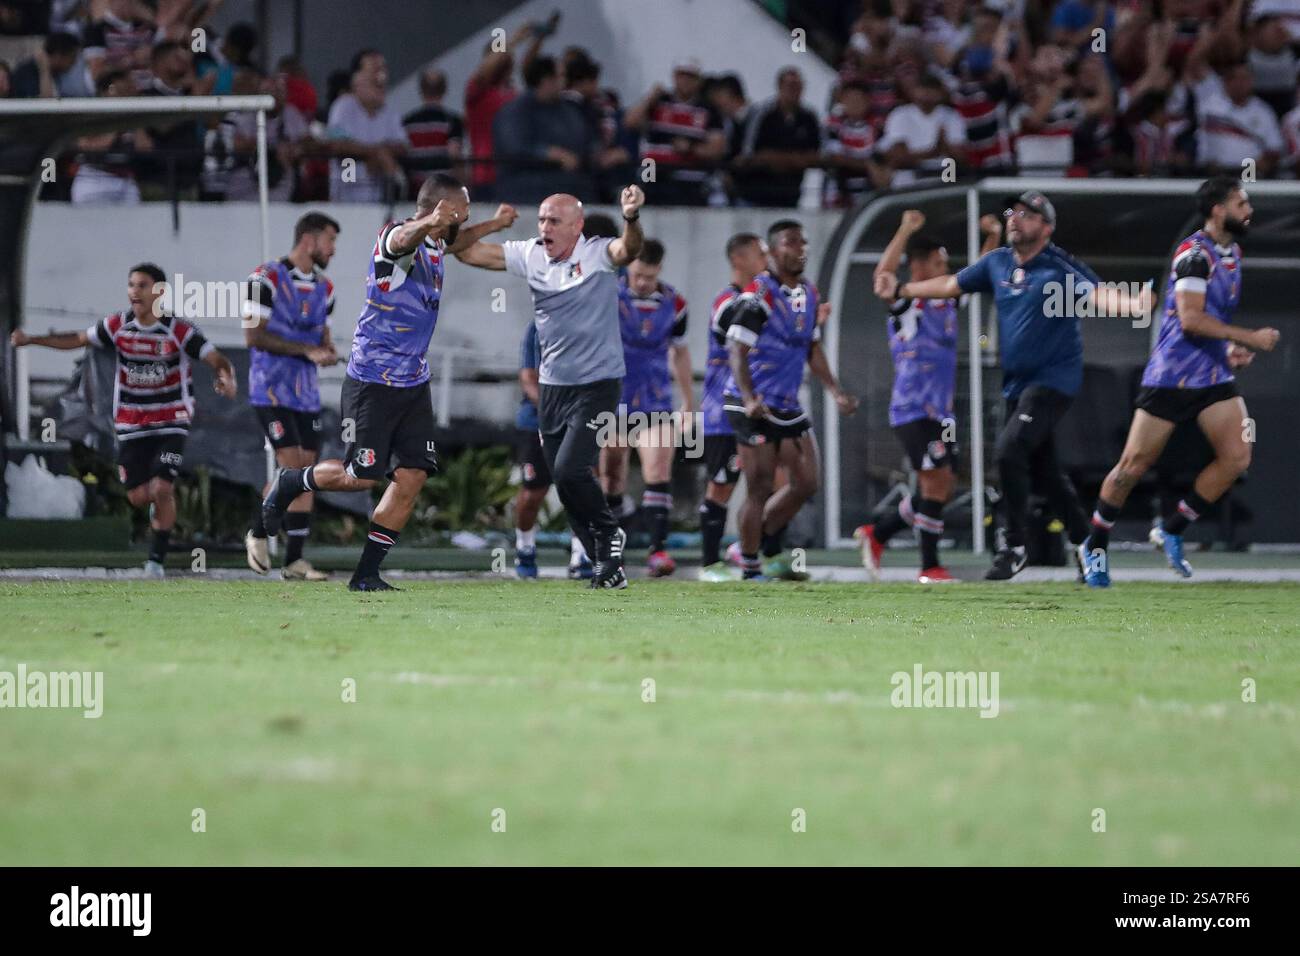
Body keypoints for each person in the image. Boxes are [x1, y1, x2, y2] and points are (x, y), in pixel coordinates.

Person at [260, 174, 519, 591]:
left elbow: (453, 241)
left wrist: (493, 224)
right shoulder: (395, 239)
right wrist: (429, 222)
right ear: (442, 211)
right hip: (372, 381)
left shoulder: (436, 241)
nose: (465, 220)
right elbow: (403, 240)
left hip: (413, 382)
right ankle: (294, 480)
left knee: (413, 474)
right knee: (361, 475)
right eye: (462, 213)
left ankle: (366, 575)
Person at [875, 190, 1150, 580]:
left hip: (1054, 381)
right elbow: (952, 284)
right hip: (1016, 386)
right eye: (1013, 212)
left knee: (1007, 450)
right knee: (1047, 474)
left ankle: (1014, 543)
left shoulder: (1058, 267)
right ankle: (1088, 546)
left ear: (1046, 228)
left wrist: (1133, 304)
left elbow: (1099, 293)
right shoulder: (997, 263)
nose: (1015, 219)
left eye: (1027, 214)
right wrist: (902, 290)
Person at [1080, 177, 1280, 587]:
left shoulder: (1233, 253)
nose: (1249, 210)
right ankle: (1095, 544)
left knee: (1237, 457)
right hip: (1172, 376)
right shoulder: (1194, 255)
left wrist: (1227, 353)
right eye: (1241, 203)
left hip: (1211, 374)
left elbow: (1209, 321)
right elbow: (1189, 319)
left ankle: (1170, 529)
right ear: (1218, 210)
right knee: (1131, 468)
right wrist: (1249, 338)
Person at [454, 187, 647, 589]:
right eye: (541, 219)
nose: (544, 227)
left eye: (554, 220)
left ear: (577, 227)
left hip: (598, 384)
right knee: (565, 481)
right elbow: (463, 250)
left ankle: (611, 534)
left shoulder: (596, 253)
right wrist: (493, 224)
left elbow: (629, 250)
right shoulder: (530, 255)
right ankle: (605, 565)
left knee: (569, 468)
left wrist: (630, 217)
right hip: (553, 387)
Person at [10, 263, 237, 578]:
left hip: (171, 421)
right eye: (131, 285)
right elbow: (77, 338)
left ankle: (156, 561)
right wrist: (32, 340)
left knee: (161, 488)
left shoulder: (179, 330)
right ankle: (159, 504)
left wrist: (225, 375)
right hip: (131, 424)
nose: (134, 292)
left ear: (159, 292)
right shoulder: (118, 325)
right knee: (137, 496)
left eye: (142, 285)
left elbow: (215, 357)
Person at [857, 209, 1003, 583]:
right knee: (934, 483)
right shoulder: (907, 303)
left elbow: (977, 272)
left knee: (943, 484)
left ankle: (880, 533)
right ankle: (929, 566)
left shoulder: (947, 300)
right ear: (919, 267)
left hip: (943, 410)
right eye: (939, 262)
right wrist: (905, 228)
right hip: (912, 407)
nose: (945, 268)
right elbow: (883, 278)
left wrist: (994, 235)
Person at [722, 220, 858, 581]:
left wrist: (835, 390)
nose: (800, 249)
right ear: (772, 251)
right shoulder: (759, 296)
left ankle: (750, 543)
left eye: (803, 242)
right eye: (790, 242)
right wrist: (749, 398)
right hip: (752, 403)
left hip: (786, 403)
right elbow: (737, 351)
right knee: (761, 484)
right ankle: (751, 567)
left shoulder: (809, 294)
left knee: (806, 483)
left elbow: (811, 347)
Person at [243, 212, 341, 582]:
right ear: (309, 240)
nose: (333, 250)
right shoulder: (264, 278)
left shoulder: (326, 289)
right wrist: (306, 351)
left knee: (307, 471)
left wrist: (327, 353)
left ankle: (295, 561)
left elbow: (324, 343)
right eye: (330, 241)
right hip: (269, 388)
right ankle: (257, 531)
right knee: (291, 465)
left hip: (306, 394)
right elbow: (253, 337)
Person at [601, 239, 693, 577]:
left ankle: (658, 551)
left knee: (658, 472)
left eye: (649, 276)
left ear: (660, 271)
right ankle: (610, 549)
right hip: (613, 397)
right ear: (628, 268)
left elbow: (680, 353)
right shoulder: (607, 294)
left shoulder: (675, 303)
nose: (642, 282)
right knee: (612, 476)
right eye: (638, 274)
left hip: (655, 399)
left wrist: (687, 402)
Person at [697, 232, 766, 582]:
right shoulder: (729, 303)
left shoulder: (758, 299)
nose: (765, 258)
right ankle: (710, 564)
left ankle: (747, 549)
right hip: (722, 410)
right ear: (739, 259)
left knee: (769, 479)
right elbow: (742, 347)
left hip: (750, 408)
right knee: (722, 484)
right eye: (759, 252)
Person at [512, 319, 553, 580]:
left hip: (579, 421)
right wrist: (555, 409)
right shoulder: (539, 326)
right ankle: (525, 547)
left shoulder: (591, 321)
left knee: (582, 486)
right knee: (533, 492)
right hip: (537, 420)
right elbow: (528, 377)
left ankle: (581, 554)